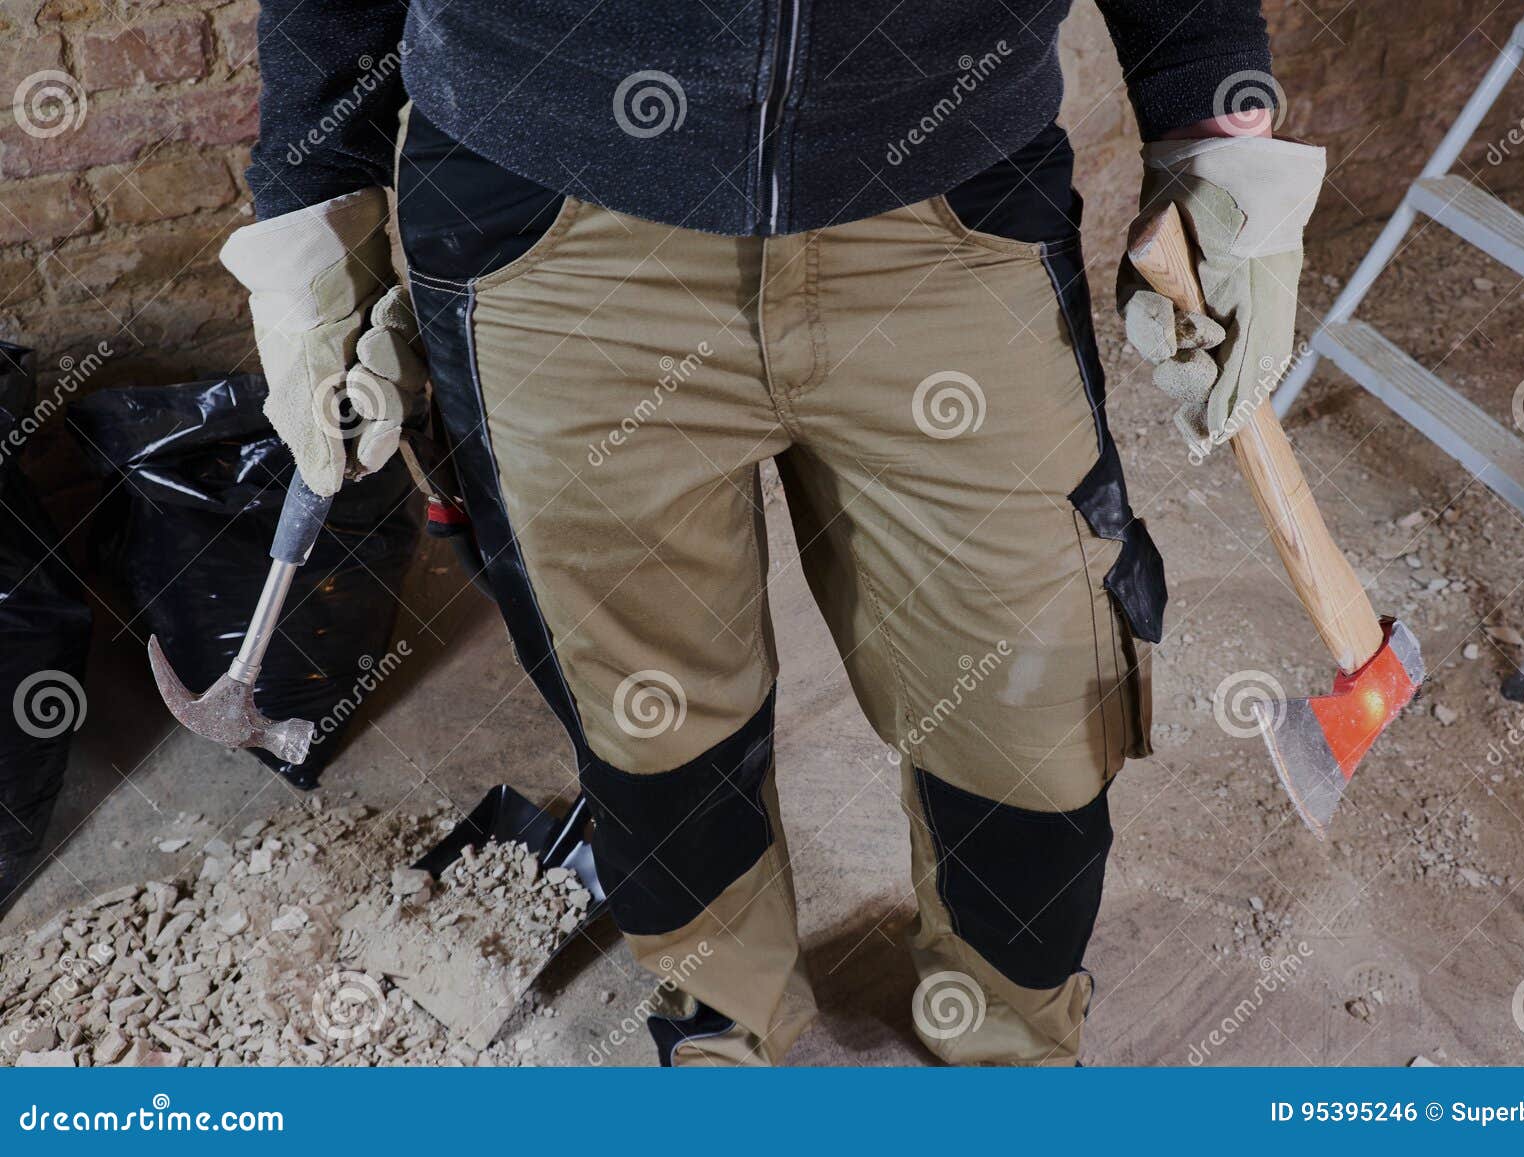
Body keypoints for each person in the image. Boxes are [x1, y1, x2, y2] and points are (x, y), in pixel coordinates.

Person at [221, 1, 1325, 1066]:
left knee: (1030, 690)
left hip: (947, 205)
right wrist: (312, 207)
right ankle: (725, 1014)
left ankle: (1006, 1038)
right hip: (552, 231)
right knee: (648, 706)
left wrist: (1216, 137)